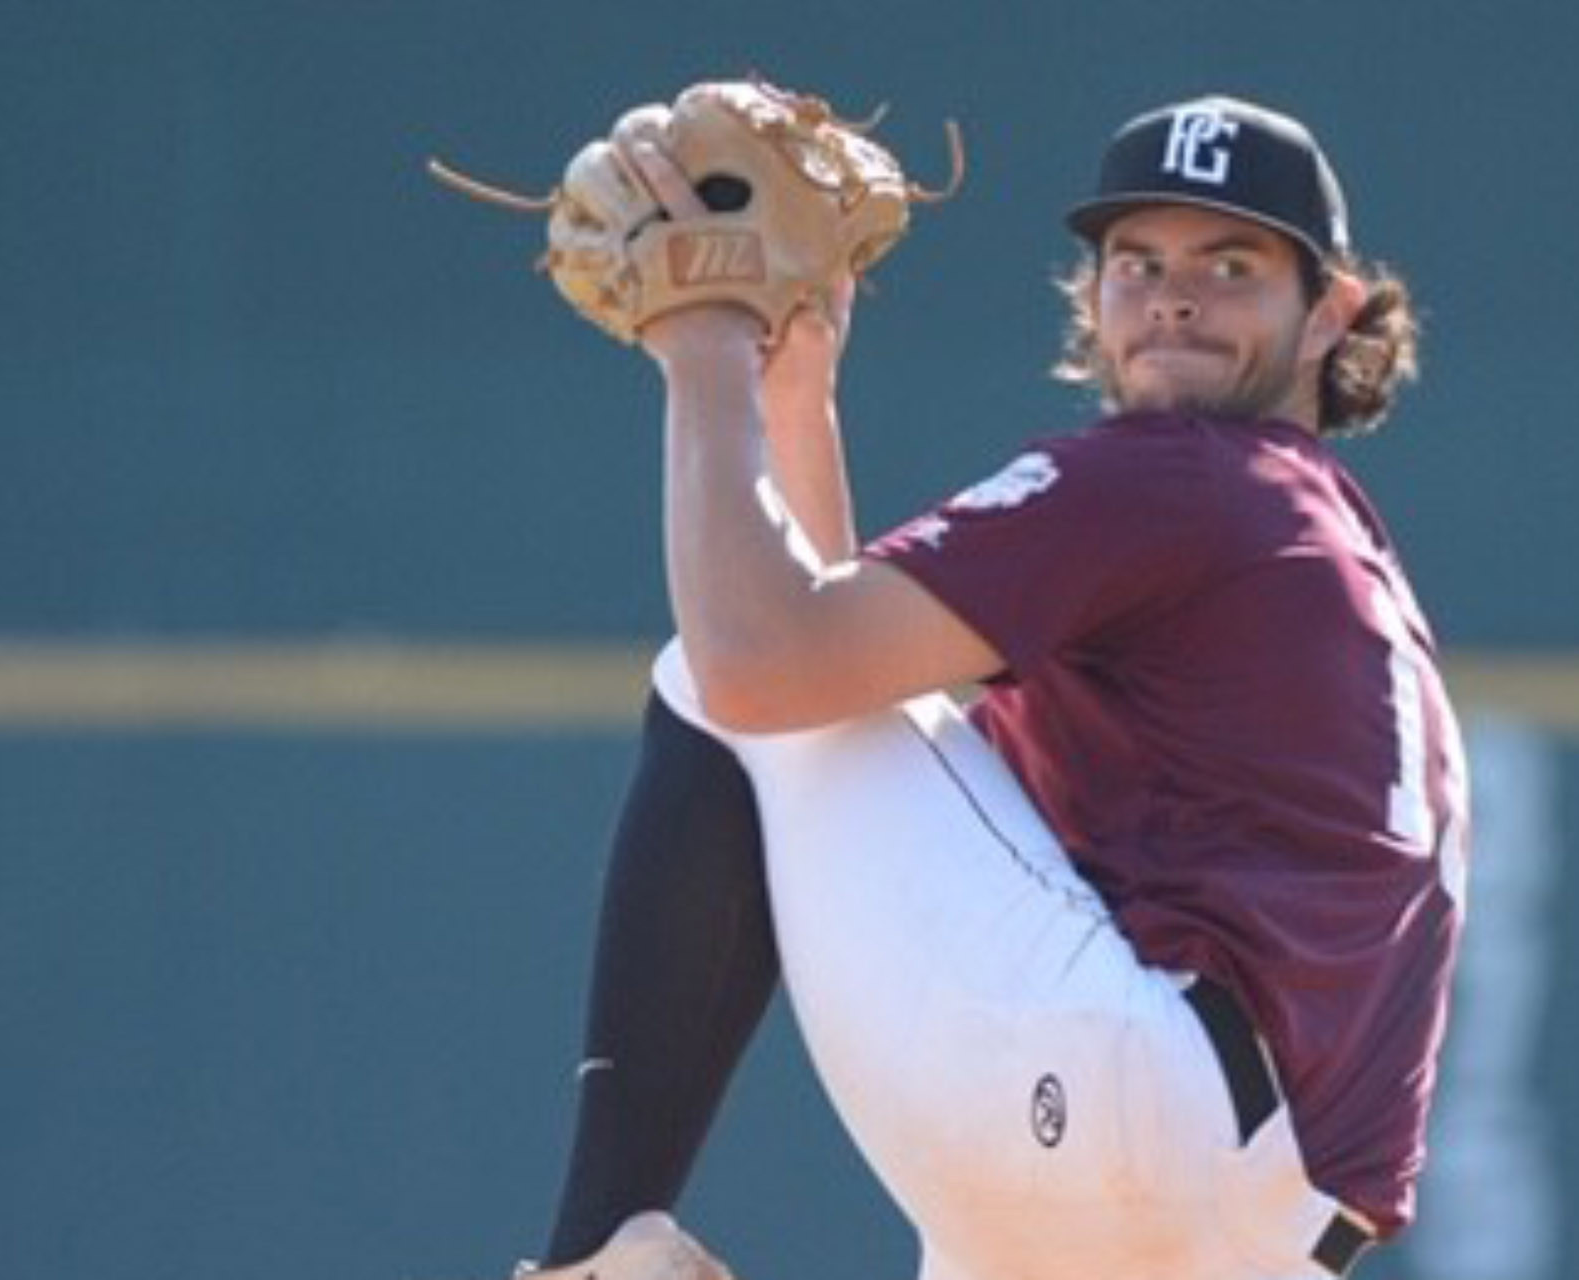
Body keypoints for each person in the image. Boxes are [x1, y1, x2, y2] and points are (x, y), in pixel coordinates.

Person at [509, 94, 1468, 1280]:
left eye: (1232, 266)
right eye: (1137, 261)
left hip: (1143, 1101)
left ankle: (597, 1247)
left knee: (705, 681)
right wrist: (795, 397)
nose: (1174, 296)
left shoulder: (1177, 480)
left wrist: (702, 335)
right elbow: (837, 673)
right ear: (1094, 292)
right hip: (1254, 1225)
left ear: (1330, 313)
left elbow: (757, 666)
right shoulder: (1315, 539)